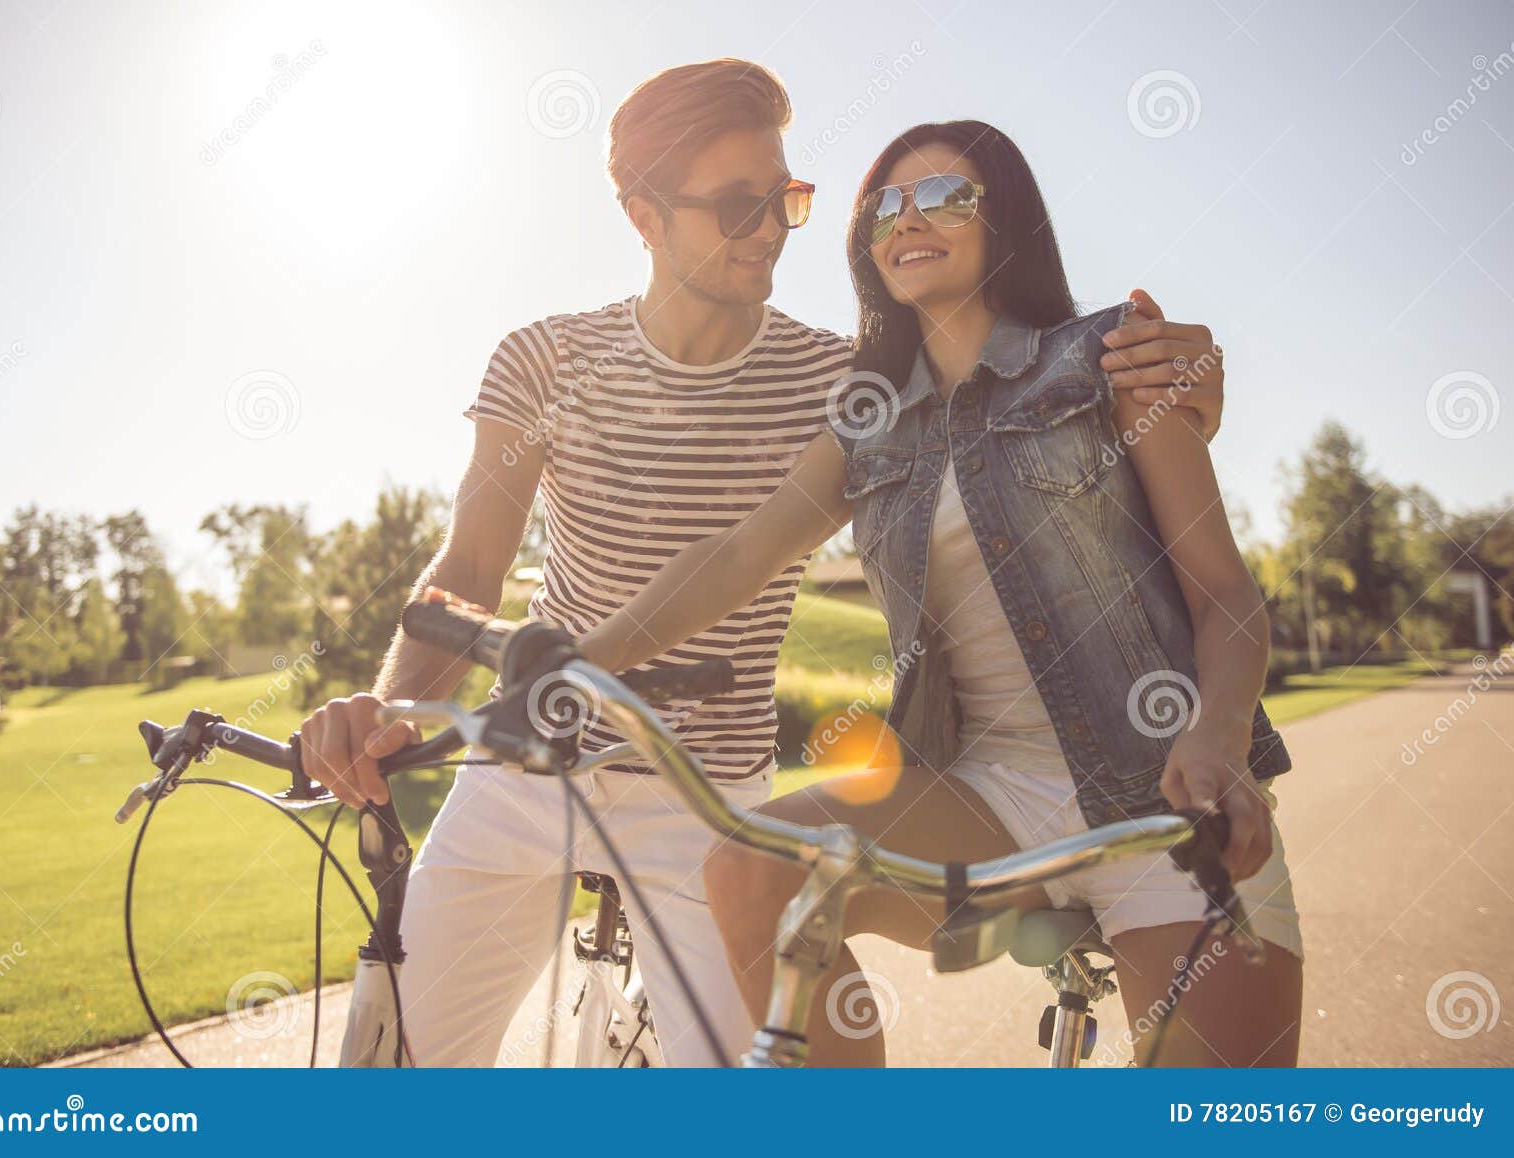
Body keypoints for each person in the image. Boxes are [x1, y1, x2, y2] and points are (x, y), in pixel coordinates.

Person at [299, 63, 1231, 1066]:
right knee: (391, 1074)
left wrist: (1195, 390)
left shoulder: (847, 383)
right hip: (521, 769)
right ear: (643, 217)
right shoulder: (543, 360)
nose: (770, 232)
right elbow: (471, 563)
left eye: (785, 201)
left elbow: (1008, 402)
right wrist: (392, 705)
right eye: (738, 206)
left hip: (703, 790)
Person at [579, 119, 1302, 1067]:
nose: (907, 219)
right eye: (884, 203)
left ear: (1005, 221)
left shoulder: (1109, 359)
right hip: (987, 795)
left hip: (1167, 792)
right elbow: (736, 553)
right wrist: (567, 661)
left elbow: (1225, 597)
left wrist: (1216, 738)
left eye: (946, 196)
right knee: (756, 864)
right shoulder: (869, 421)